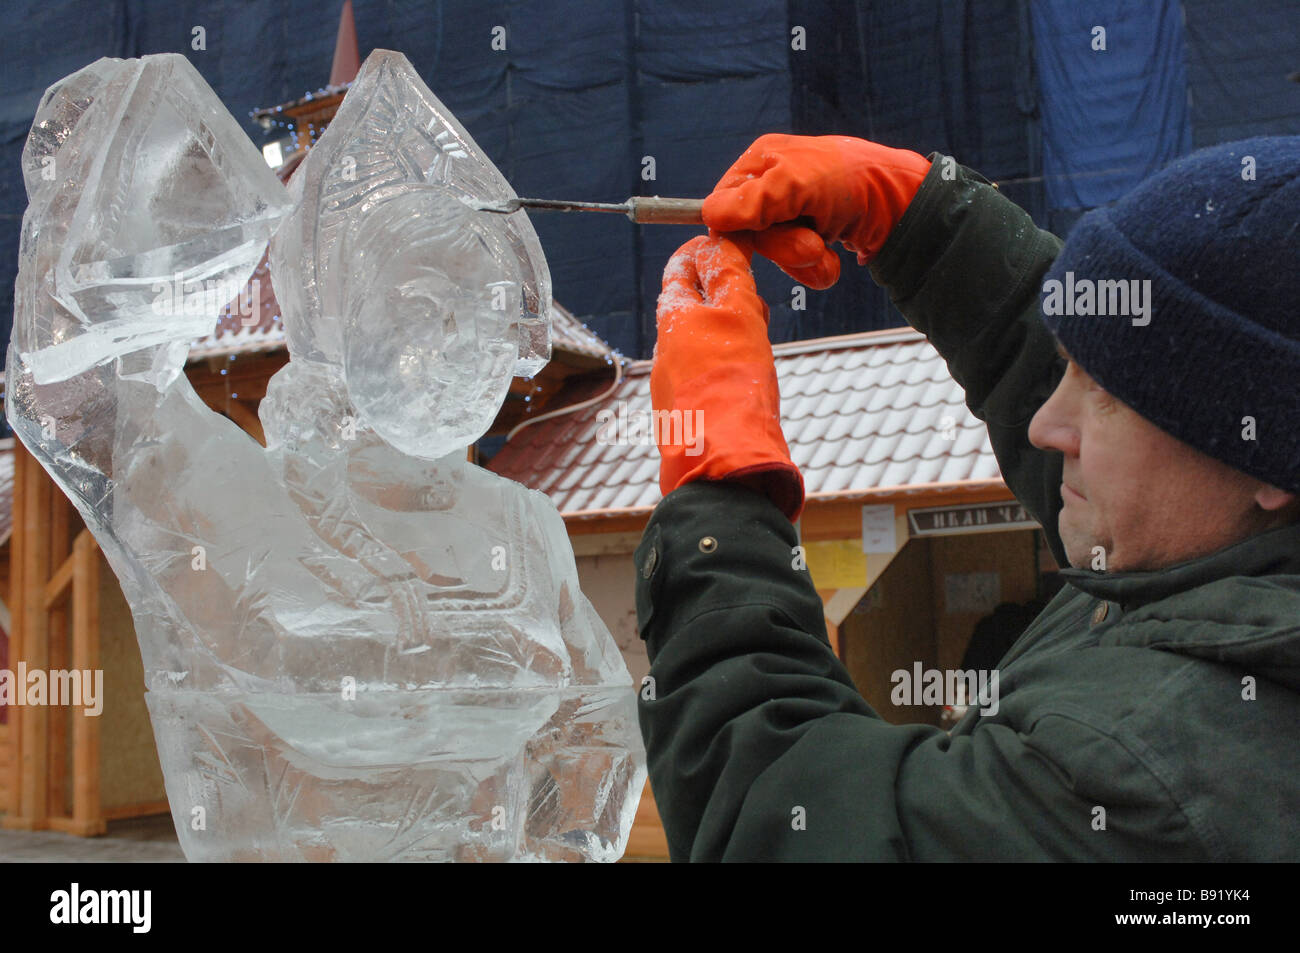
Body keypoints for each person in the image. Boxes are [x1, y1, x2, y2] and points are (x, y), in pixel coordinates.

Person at [636, 133, 1300, 861]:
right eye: (1068, 365)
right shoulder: (1217, 542)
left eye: (1106, 395)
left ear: (1268, 466)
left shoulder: (1156, 776)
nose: (1048, 425)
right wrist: (919, 220)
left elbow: (785, 818)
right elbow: (1111, 376)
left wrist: (718, 491)